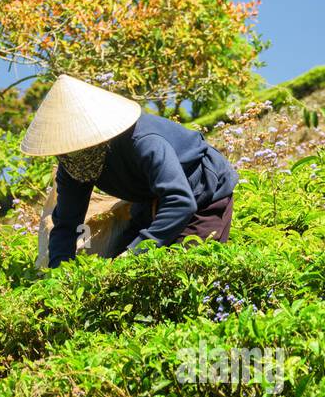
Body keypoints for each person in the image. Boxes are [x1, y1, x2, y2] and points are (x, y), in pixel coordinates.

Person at [21, 75, 239, 268]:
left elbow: (181, 201)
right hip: (150, 200)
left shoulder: (143, 141)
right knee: (119, 274)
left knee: (183, 268)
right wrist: (59, 275)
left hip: (202, 195)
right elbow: (67, 224)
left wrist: (135, 252)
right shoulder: (74, 164)